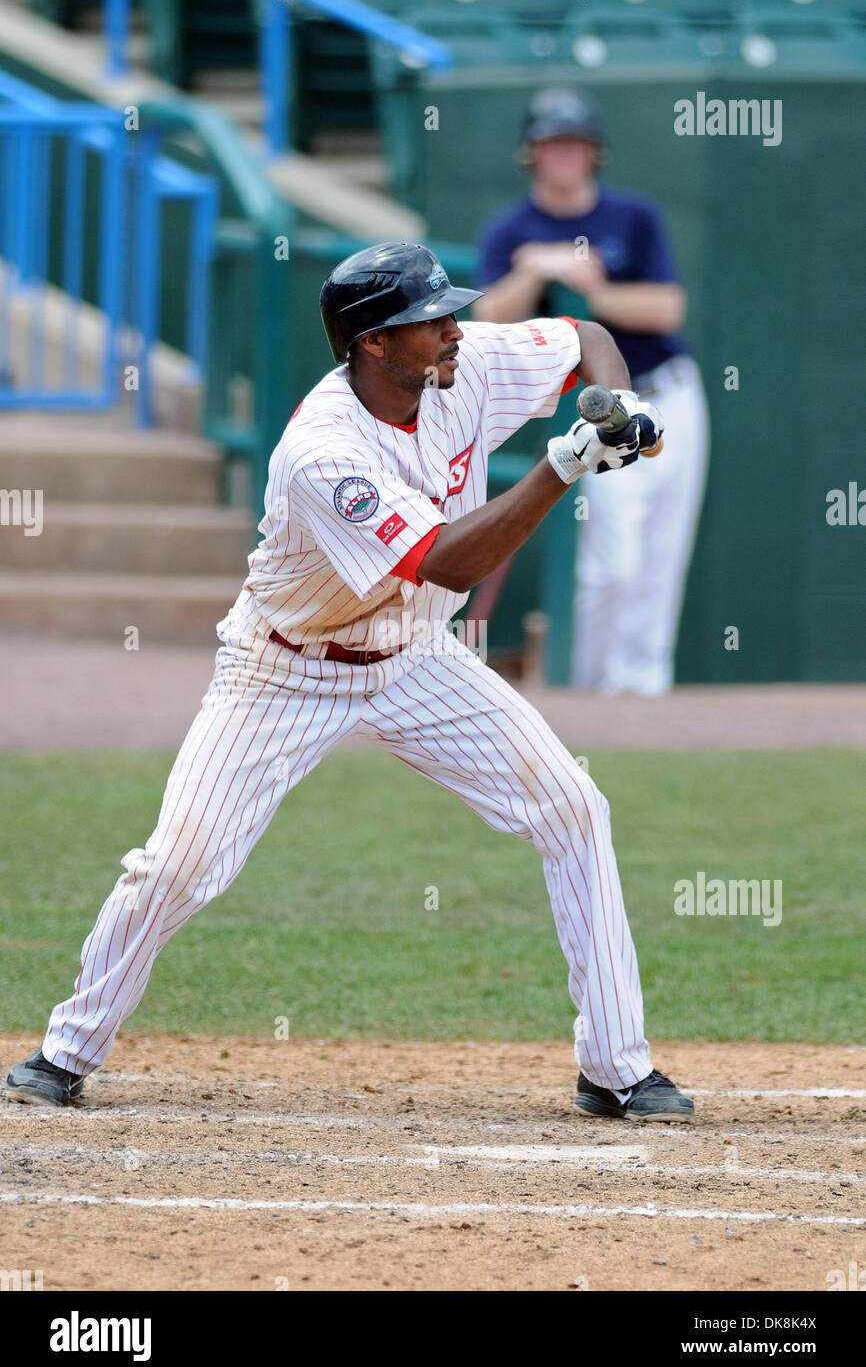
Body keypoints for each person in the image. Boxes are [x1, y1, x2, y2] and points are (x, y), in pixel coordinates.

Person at [5, 243, 693, 1123]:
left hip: (412, 654)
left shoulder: (461, 366)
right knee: (180, 862)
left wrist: (619, 403)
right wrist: (563, 464)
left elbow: (587, 333)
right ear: (372, 343)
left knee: (573, 808)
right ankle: (66, 1050)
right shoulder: (322, 452)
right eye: (431, 319)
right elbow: (449, 563)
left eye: (449, 313)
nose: (453, 330)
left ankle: (616, 1070)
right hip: (285, 667)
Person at [475, 88, 710, 695]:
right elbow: (486, 322)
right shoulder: (512, 230)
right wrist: (537, 269)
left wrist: (594, 291)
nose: (564, 155)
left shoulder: (632, 215)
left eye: (574, 143)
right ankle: (596, 699)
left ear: (593, 151)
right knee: (612, 563)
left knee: (661, 559)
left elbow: (666, 307)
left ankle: (645, 697)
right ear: (533, 151)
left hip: (666, 391)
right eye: (553, 143)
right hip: (596, 411)